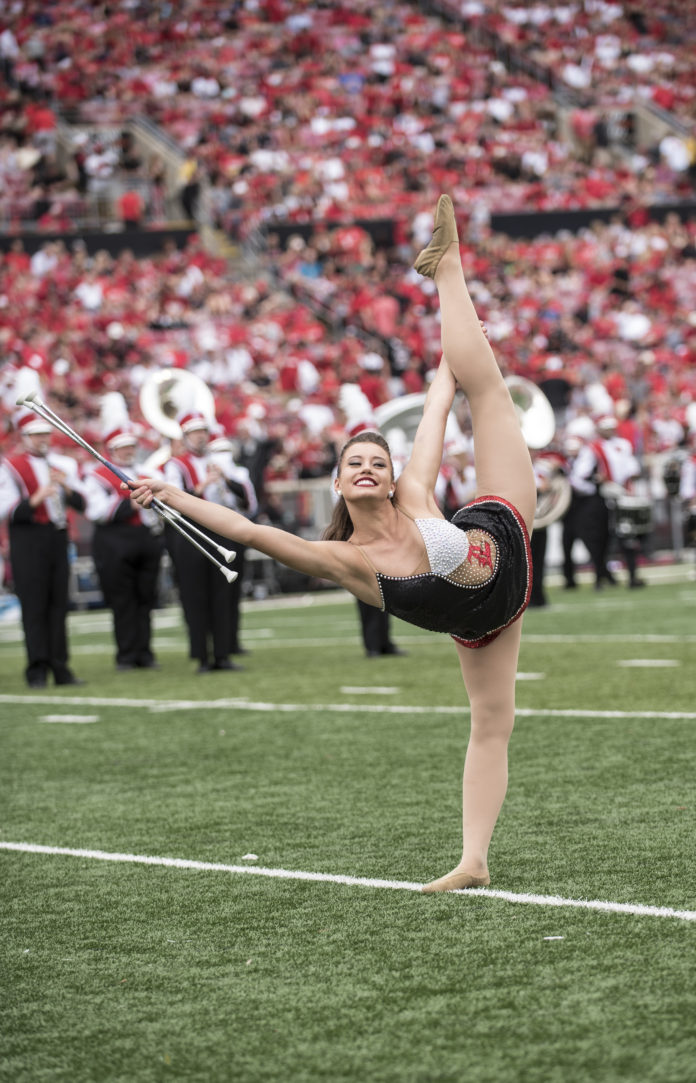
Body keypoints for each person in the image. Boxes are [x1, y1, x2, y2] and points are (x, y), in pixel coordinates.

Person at [129, 196, 536, 893]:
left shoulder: (412, 489)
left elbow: (444, 397)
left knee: (487, 388)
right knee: (491, 724)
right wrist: (170, 493)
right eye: (357, 463)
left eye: (377, 457)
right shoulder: (348, 562)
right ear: (341, 487)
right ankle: (474, 859)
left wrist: (458, 345)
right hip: (487, 620)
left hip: (502, 535)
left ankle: (447, 267)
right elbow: (254, 532)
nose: (371, 465)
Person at [0, 409, 87, 688]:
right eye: (36, 435)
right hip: (28, 540)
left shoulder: (60, 464)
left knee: (58, 604)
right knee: (34, 605)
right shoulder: (10, 466)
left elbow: (83, 505)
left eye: (45, 434)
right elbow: (6, 509)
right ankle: (36, 669)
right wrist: (36, 498)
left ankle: (61, 667)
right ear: (24, 437)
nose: (42, 439)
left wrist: (67, 488)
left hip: (57, 537)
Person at [163, 411, 245, 673]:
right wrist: (202, 485)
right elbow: (172, 499)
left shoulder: (219, 460)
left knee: (222, 593)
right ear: (185, 436)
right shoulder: (176, 464)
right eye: (195, 432)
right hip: (192, 533)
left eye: (203, 432)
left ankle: (223, 654)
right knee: (194, 594)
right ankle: (201, 656)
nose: (201, 436)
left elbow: (243, 496)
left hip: (220, 528)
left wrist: (226, 479)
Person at [83, 424, 164, 670]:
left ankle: (145, 652)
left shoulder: (146, 471)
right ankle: (127, 654)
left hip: (146, 538)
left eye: (131, 446)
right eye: (122, 447)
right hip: (115, 541)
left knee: (146, 597)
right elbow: (95, 511)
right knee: (122, 600)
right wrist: (131, 505)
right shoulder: (96, 475)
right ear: (112, 450)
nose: (128, 451)